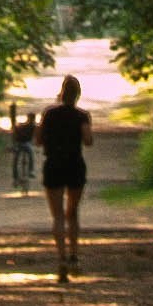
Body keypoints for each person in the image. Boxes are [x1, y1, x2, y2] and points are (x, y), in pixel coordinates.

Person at [34, 71, 89, 280]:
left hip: (54, 165)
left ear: (62, 92)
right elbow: (89, 140)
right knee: (72, 213)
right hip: (75, 165)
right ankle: (75, 256)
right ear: (77, 95)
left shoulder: (49, 114)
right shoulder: (82, 116)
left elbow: (38, 140)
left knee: (57, 216)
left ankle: (61, 258)